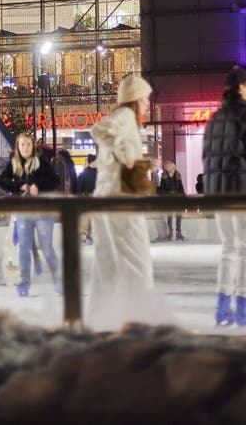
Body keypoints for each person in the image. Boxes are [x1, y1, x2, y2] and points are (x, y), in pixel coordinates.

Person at [86, 73, 154, 330]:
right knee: (137, 261)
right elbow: (99, 130)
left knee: (106, 266)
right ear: (135, 98)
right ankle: (139, 320)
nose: (147, 103)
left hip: (106, 198)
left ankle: (98, 322)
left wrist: (136, 161)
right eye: (145, 98)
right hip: (120, 201)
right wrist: (126, 153)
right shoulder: (125, 116)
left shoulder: (123, 118)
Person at [203, 66, 246, 326]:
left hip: (220, 195)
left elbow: (208, 160)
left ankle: (222, 308)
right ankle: (243, 305)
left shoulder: (215, 118)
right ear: (241, 87)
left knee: (229, 248)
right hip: (245, 193)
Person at [0, 132, 60, 297]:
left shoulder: (41, 162)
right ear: (18, 147)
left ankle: (59, 281)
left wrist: (38, 185)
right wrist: (20, 186)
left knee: (47, 248)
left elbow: (55, 181)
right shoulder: (14, 164)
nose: (25, 147)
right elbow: (1, 181)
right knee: (23, 248)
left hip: (43, 211)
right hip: (24, 211)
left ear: (33, 146)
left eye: (28, 144)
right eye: (22, 144)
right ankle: (24, 283)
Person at [157, 161, 186, 240]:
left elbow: (181, 188)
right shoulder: (164, 178)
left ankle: (178, 233)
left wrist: (183, 197)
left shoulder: (178, 176)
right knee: (169, 216)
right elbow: (161, 189)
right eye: (172, 168)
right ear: (169, 169)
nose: (174, 169)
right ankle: (170, 233)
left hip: (177, 199)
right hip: (169, 199)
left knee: (178, 216)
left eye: (174, 167)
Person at [76, 154, 98, 243]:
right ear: (92, 162)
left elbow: (79, 189)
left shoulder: (85, 173)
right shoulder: (87, 173)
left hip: (93, 198)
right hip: (89, 198)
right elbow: (79, 189)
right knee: (88, 217)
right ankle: (86, 234)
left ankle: (88, 234)